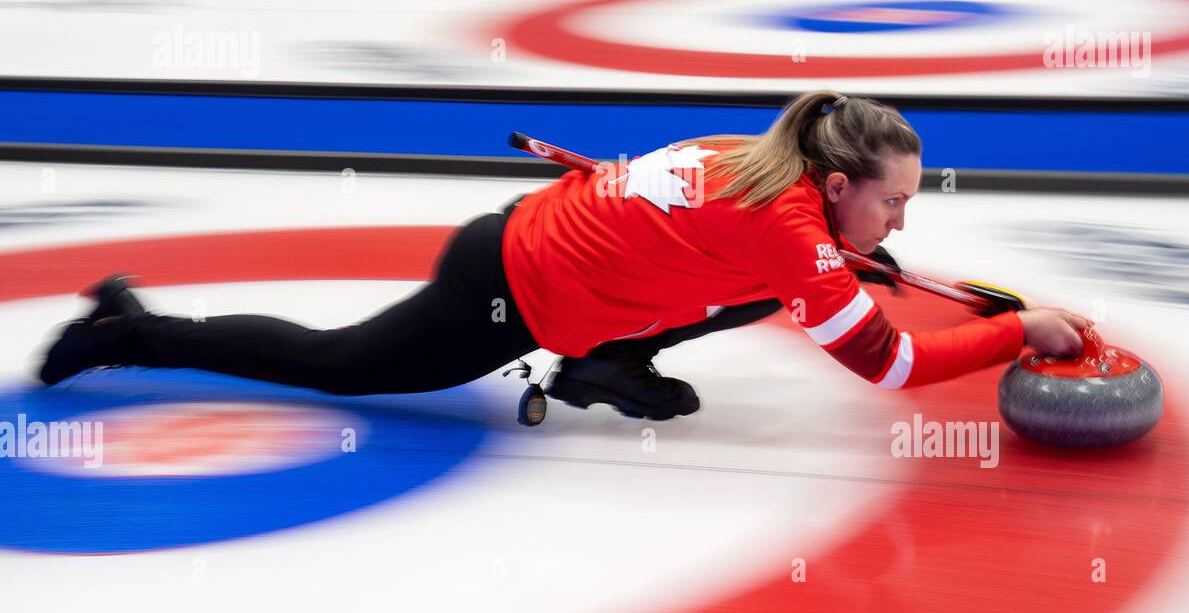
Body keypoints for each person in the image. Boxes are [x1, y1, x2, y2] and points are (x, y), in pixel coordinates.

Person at [37, 90, 1089, 420]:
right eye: (892, 202)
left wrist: (830, 264)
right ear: (832, 186)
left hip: (524, 232)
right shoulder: (790, 235)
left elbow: (744, 251)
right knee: (336, 365)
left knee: (755, 291)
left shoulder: (760, 158)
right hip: (503, 291)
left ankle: (605, 363)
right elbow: (886, 365)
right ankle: (126, 325)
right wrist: (1016, 333)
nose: (900, 223)